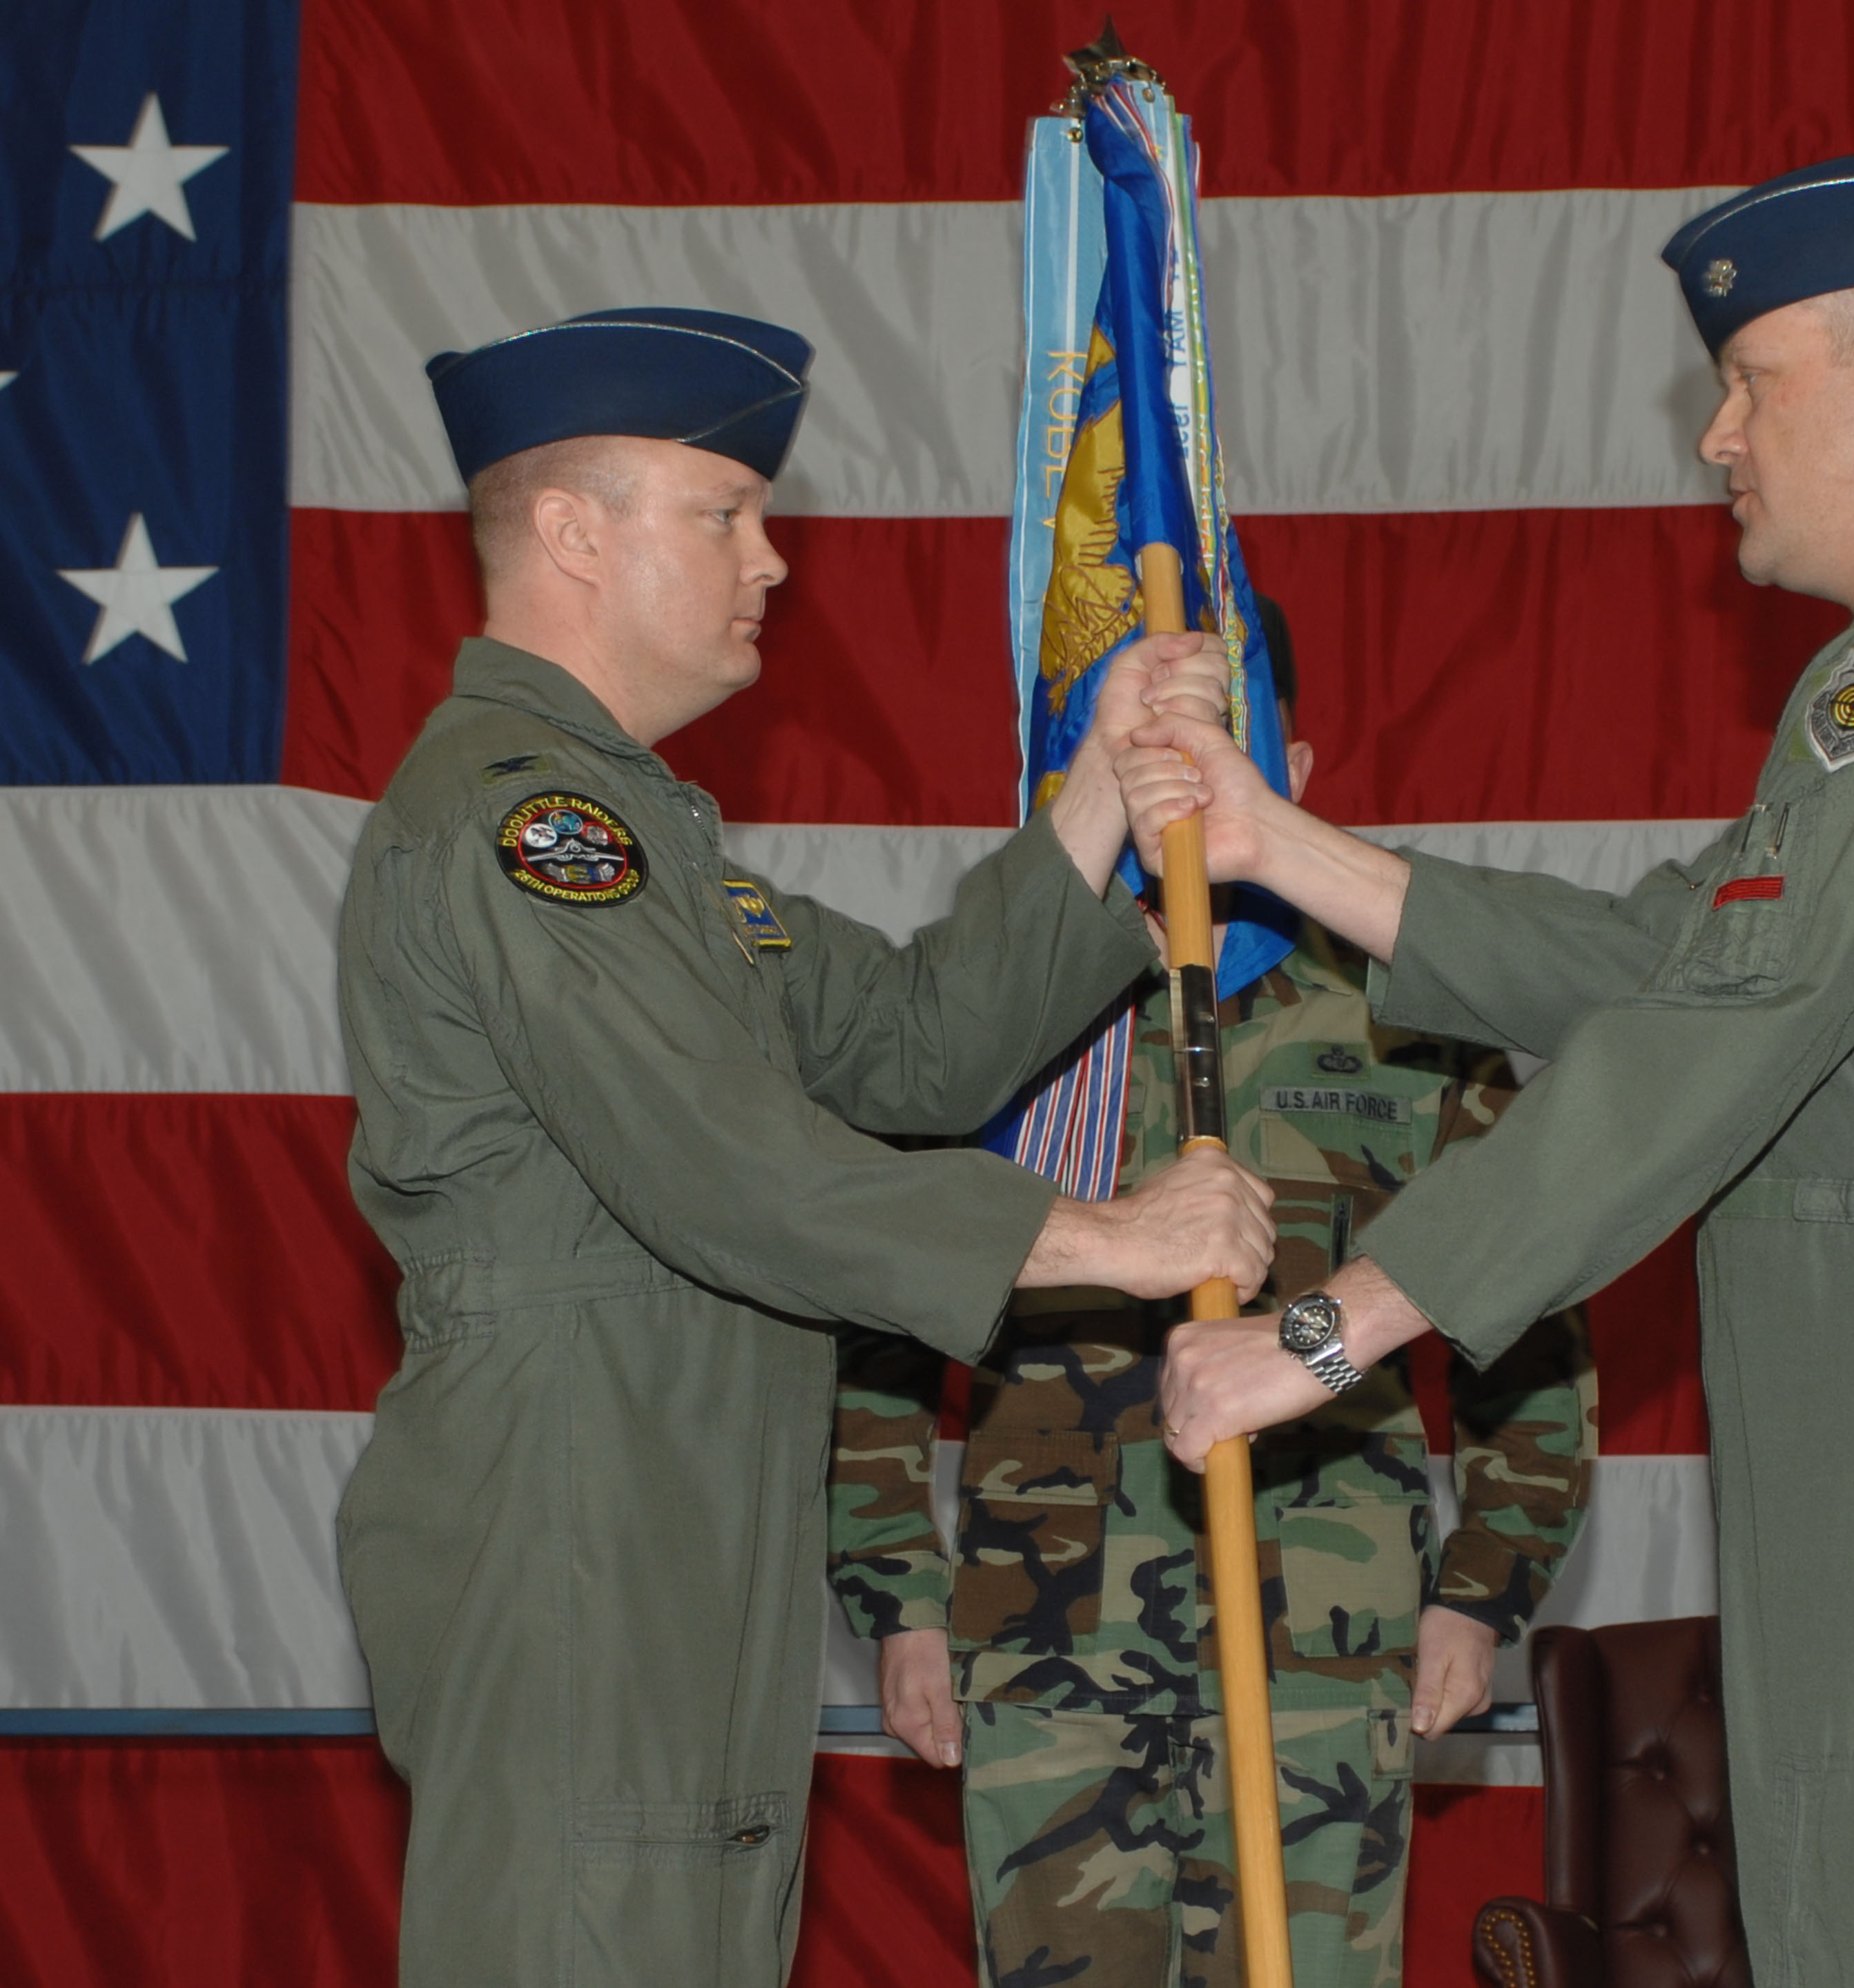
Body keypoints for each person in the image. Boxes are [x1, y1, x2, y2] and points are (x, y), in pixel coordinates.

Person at [1122, 159, 1854, 1988]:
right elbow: (1666, 961)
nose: (1716, 435)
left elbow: (1715, 1032)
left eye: (1751, 379)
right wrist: (1275, 844)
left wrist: (1333, 1332)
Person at [332, 306, 1277, 1988]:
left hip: (682, 1479)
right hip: (579, 1488)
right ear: (574, 531)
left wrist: (1101, 781)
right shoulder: (527, 823)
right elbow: (730, 1170)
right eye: (725, 513)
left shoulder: (653, 838)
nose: (770, 560)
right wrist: (1106, 1240)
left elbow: (917, 1041)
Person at [828, 598, 1596, 1988]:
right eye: (1143, 743)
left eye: (1216, 741)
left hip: (1326, 1642)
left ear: (1288, 762)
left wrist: (1483, 1593)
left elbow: (1519, 1312)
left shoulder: (1408, 1011)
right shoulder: (990, 1015)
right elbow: (884, 1311)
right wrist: (902, 1601)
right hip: (1047, 1645)